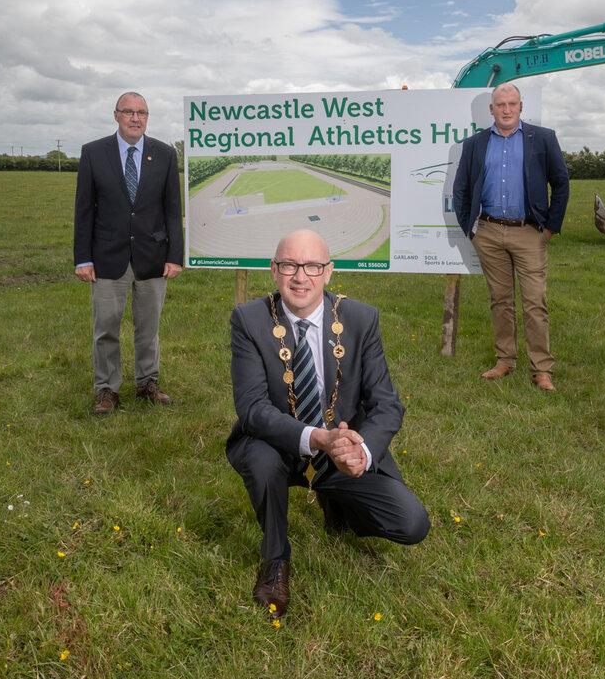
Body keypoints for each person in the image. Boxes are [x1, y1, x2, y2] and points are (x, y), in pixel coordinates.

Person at [227, 229, 429, 617]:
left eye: (312, 266)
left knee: (412, 523)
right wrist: (317, 438)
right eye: (289, 265)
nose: (300, 276)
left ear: (329, 271)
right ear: (273, 270)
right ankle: (275, 560)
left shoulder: (360, 318)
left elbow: (386, 403)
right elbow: (251, 407)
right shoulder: (249, 320)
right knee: (262, 461)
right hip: (280, 443)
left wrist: (361, 451)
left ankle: (334, 496)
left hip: (340, 447)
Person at [452, 83, 570, 391]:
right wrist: (470, 229)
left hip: (529, 232)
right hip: (488, 232)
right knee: (500, 300)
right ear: (491, 109)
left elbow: (561, 183)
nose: (506, 109)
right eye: (500, 104)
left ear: (520, 107)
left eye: (512, 104)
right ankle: (505, 360)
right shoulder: (475, 144)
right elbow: (461, 189)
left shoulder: (543, 139)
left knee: (535, 301)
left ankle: (541, 369)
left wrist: (550, 227)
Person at [73, 92, 184, 415]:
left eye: (142, 113)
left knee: (148, 327)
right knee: (106, 327)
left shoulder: (164, 154)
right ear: (116, 115)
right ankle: (107, 389)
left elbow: (172, 210)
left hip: (152, 257)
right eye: (128, 112)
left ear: (147, 117)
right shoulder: (94, 153)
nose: (135, 118)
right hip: (108, 257)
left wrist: (174, 256)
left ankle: (147, 382)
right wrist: (83, 258)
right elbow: (84, 211)